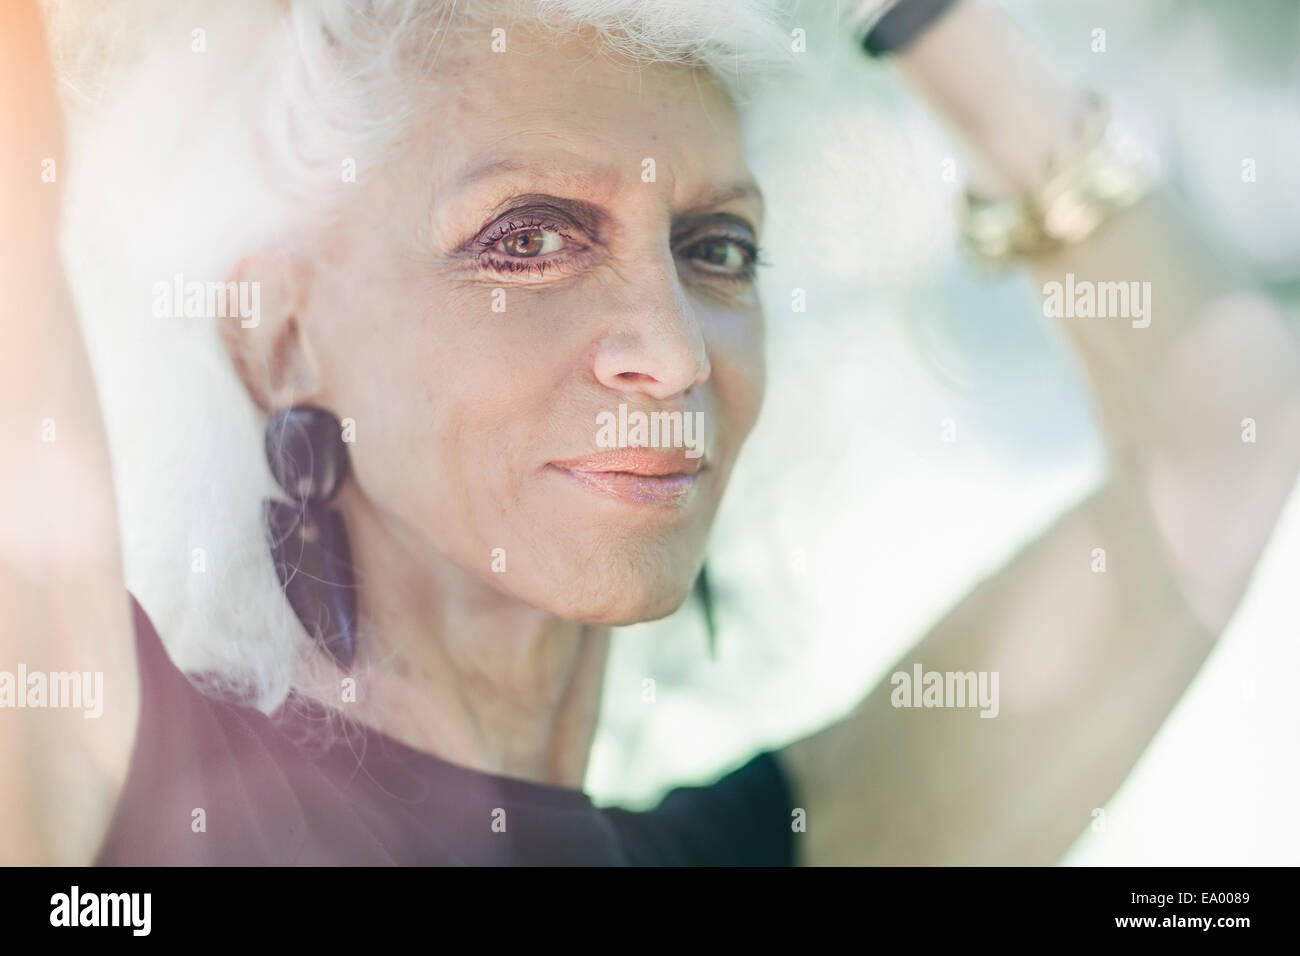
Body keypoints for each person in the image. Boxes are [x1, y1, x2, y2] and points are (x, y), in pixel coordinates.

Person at [3, 0, 1299, 865]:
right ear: (281, 334)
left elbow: (1231, 443)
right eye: (526, 239)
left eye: (715, 248)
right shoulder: (107, 781)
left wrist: (913, 19)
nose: (672, 348)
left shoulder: (791, 845)